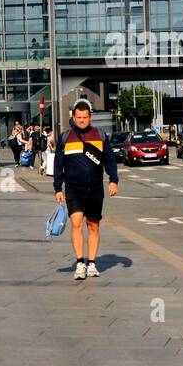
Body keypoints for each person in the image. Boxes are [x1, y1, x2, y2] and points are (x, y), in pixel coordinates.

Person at [54, 98, 119, 280]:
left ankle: (92, 264)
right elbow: (58, 164)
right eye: (78, 117)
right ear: (73, 117)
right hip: (73, 189)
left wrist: (113, 180)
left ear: (90, 117)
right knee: (76, 223)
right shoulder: (65, 137)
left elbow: (110, 160)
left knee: (93, 225)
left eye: (85, 117)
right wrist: (57, 187)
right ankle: (80, 263)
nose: (81, 120)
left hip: (95, 189)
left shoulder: (100, 135)